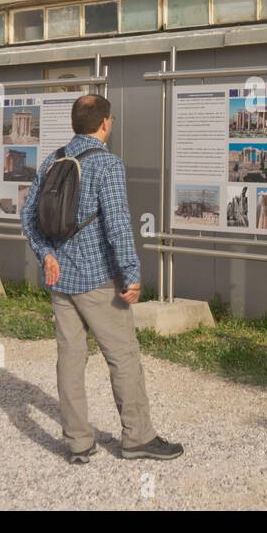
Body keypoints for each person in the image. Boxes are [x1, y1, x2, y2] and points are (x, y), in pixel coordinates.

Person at [22, 94, 182, 465]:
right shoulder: (107, 164)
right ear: (105, 123)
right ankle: (137, 437)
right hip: (97, 281)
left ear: (76, 122)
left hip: (60, 281)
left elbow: (28, 216)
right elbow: (118, 226)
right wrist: (131, 274)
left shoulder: (54, 159)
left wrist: (45, 253)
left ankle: (78, 442)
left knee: (70, 359)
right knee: (123, 357)